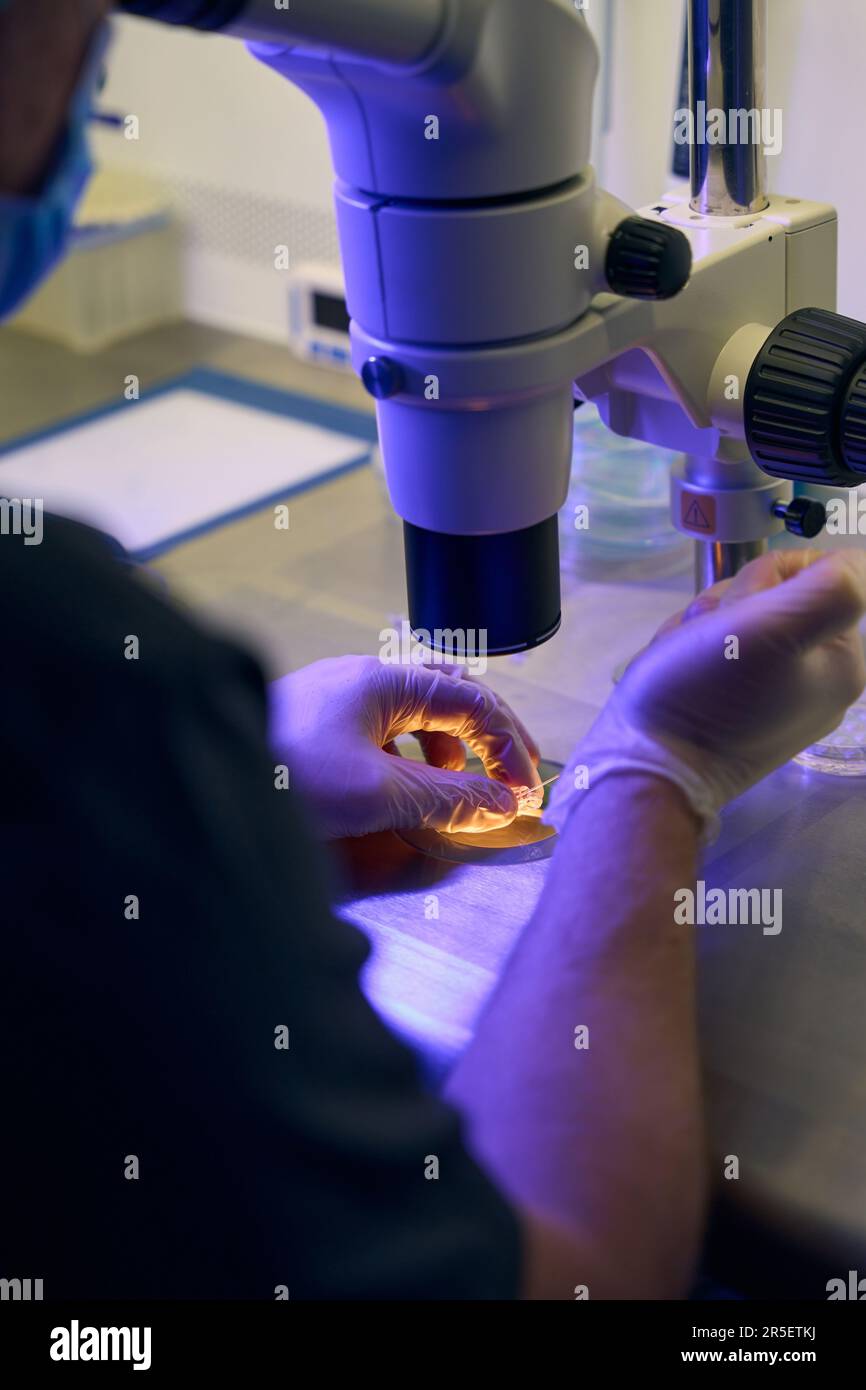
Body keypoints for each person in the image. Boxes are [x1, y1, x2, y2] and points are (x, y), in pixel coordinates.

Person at [2, 0, 866, 1300]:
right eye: (76, 26)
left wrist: (246, 803)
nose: (93, 63)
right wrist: (655, 761)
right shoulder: (60, 671)